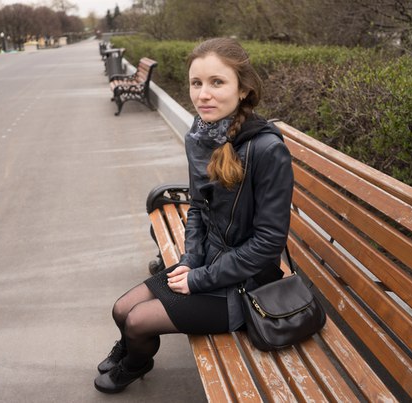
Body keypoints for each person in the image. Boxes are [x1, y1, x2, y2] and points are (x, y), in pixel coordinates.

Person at [94, 37, 294, 394]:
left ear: (243, 89)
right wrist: (190, 261)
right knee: (121, 309)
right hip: (207, 265)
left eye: (217, 83)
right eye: (196, 83)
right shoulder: (200, 136)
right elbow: (199, 209)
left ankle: (135, 363)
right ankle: (132, 348)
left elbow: (268, 244)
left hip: (245, 285)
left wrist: (200, 279)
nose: (203, 94)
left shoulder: (267, 149)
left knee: (137, 320)